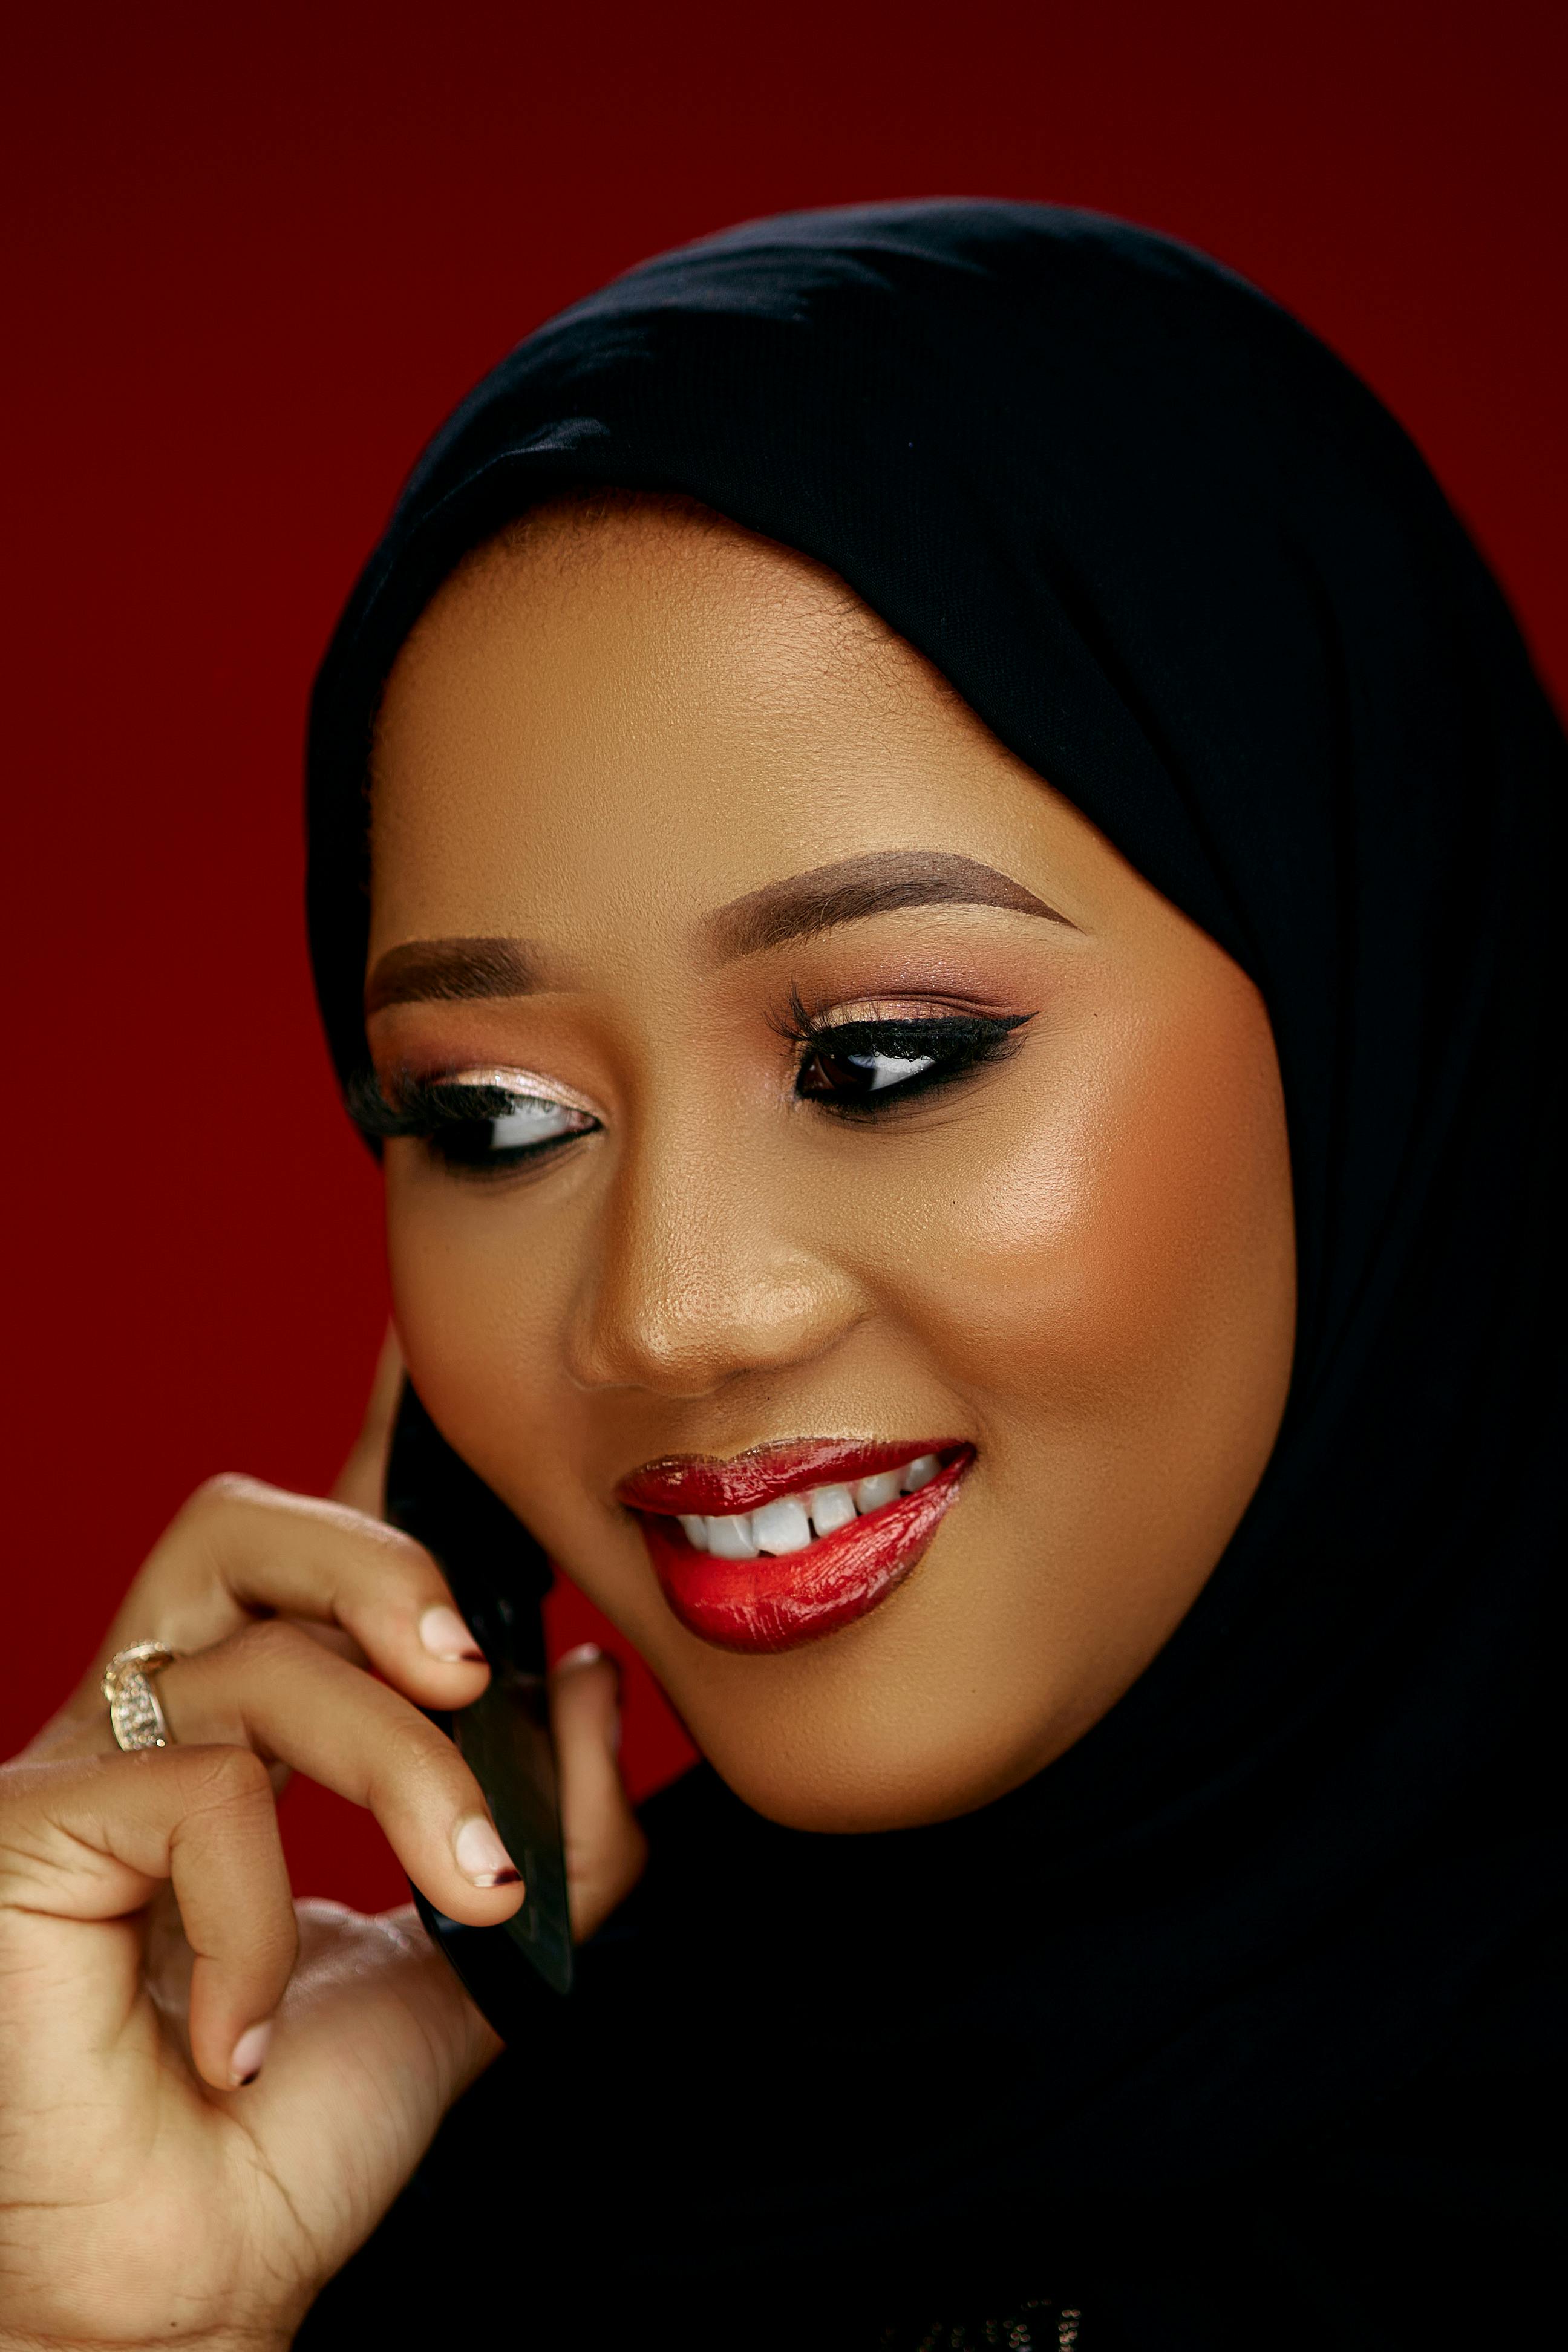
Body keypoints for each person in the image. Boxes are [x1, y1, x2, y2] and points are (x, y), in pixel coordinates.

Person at [1, 203, 1562, 2352]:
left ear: (1374, 1025)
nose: (666, 1315)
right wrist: (101, 2327)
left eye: (884, 1059)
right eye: (495, 1121)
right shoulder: (404, 2207)